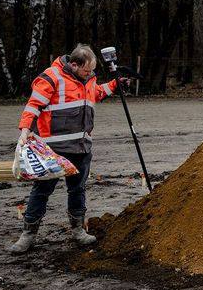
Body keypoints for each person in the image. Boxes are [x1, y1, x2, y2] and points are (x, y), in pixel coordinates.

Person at [9, 44, 126, 253]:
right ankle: (28, 235)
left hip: (81, 148)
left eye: (92, 71)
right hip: (53, 150)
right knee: (42, 191)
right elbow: (33, 105)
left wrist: (114, 85)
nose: (90, 74)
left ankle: (78, 230)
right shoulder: (51, 77)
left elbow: (95, 93)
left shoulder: (88, 79)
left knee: (77, 190)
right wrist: (25, 129)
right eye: (86, 70)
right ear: (74, 64)